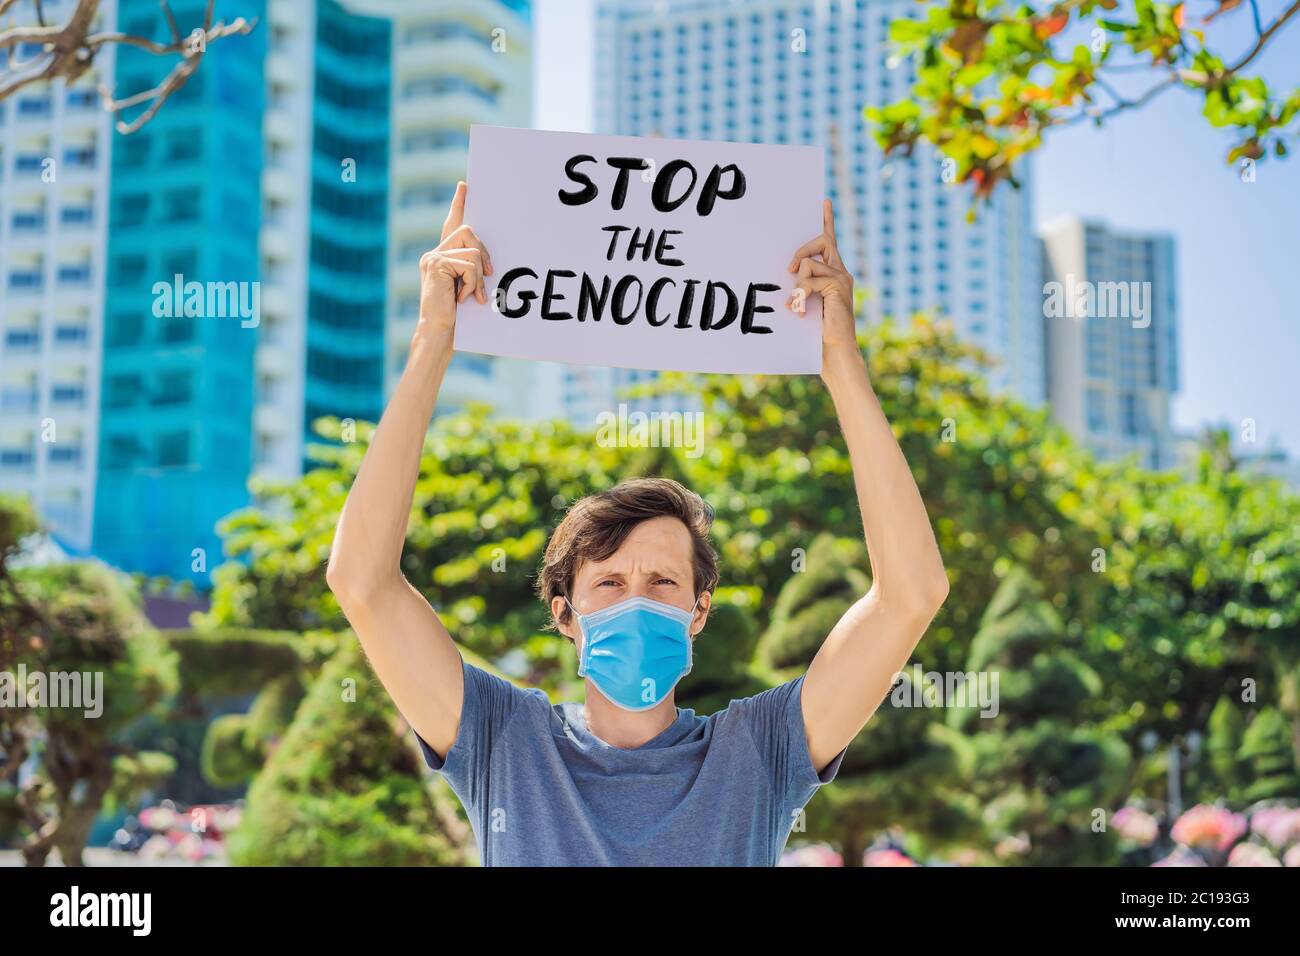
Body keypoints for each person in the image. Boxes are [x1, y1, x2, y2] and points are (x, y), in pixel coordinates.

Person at [326, 181, 949, 866]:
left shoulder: (760, 751)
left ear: (699, 609)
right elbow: (363, 582)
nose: (636, 600)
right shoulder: (504, 740)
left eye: (661, 582)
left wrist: (840, 363)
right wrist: (433, 339)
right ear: (565, 615)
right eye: (610, 582)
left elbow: (910, 595)